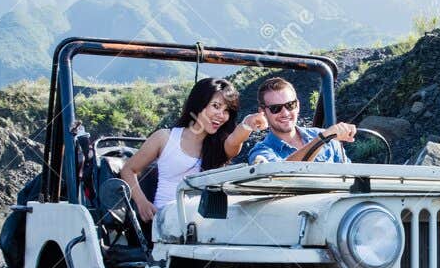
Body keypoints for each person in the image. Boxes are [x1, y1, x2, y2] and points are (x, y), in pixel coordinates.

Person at [118, 78, 253, 223]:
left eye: (226, 110)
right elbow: (128, 169)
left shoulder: (221, 144)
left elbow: (234, 141)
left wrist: (247, 125)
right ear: (199, 103)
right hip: (167, 220)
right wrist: (142, 202)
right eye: (216, 106)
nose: (221, 115)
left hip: (204, 222)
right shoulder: (164, 138)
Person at [245, 77, 356, 164]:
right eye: (275, 108)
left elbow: (349, 177)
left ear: (297, 105)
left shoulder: (329, 139)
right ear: (263, 112)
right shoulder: (261, 152)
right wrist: (321, 140)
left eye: (290, 105)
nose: (285, 113)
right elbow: (280, 175)